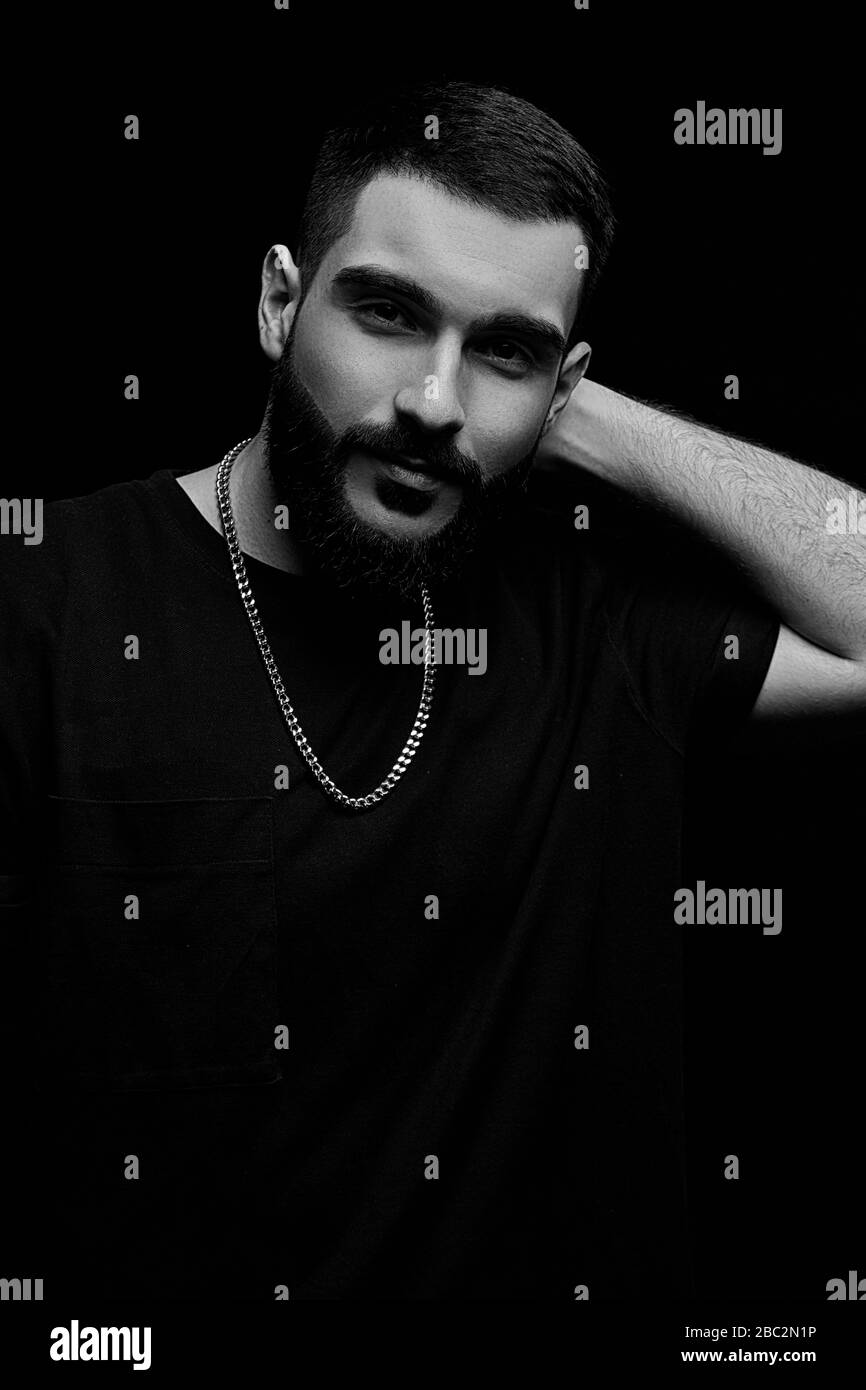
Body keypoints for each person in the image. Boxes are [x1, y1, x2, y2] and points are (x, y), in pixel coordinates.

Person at [1, 81, 863, 1301]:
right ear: (278, 300)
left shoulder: (588, 629)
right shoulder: (48, 599)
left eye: (500, 351)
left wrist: (561, 411)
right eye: (390, 314)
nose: (431, 405)